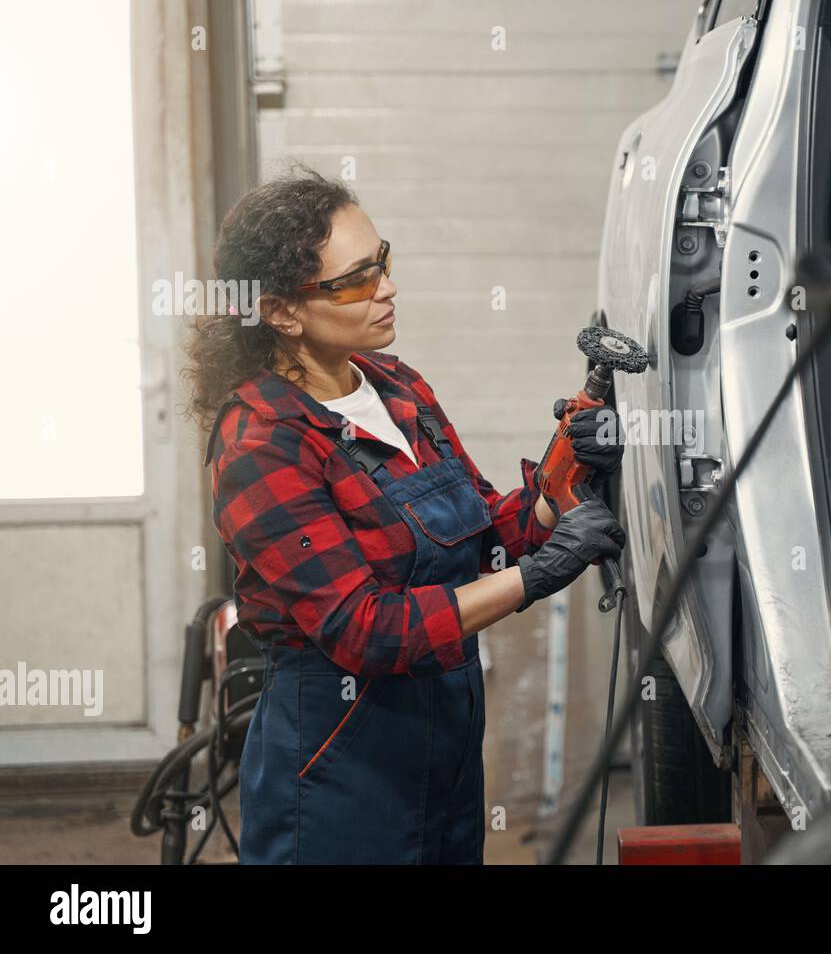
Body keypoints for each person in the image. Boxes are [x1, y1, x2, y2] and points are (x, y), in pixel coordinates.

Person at [185, 168, 626, 864]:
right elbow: (366, 629)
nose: (387, 288)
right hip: (339, 761)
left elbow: (483, 538)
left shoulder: (398, 387)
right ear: (281, 312)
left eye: (382, 260)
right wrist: (541, 574)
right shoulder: (262, 444)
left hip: (445, 737)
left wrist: (561, 480)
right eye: (356, 280)